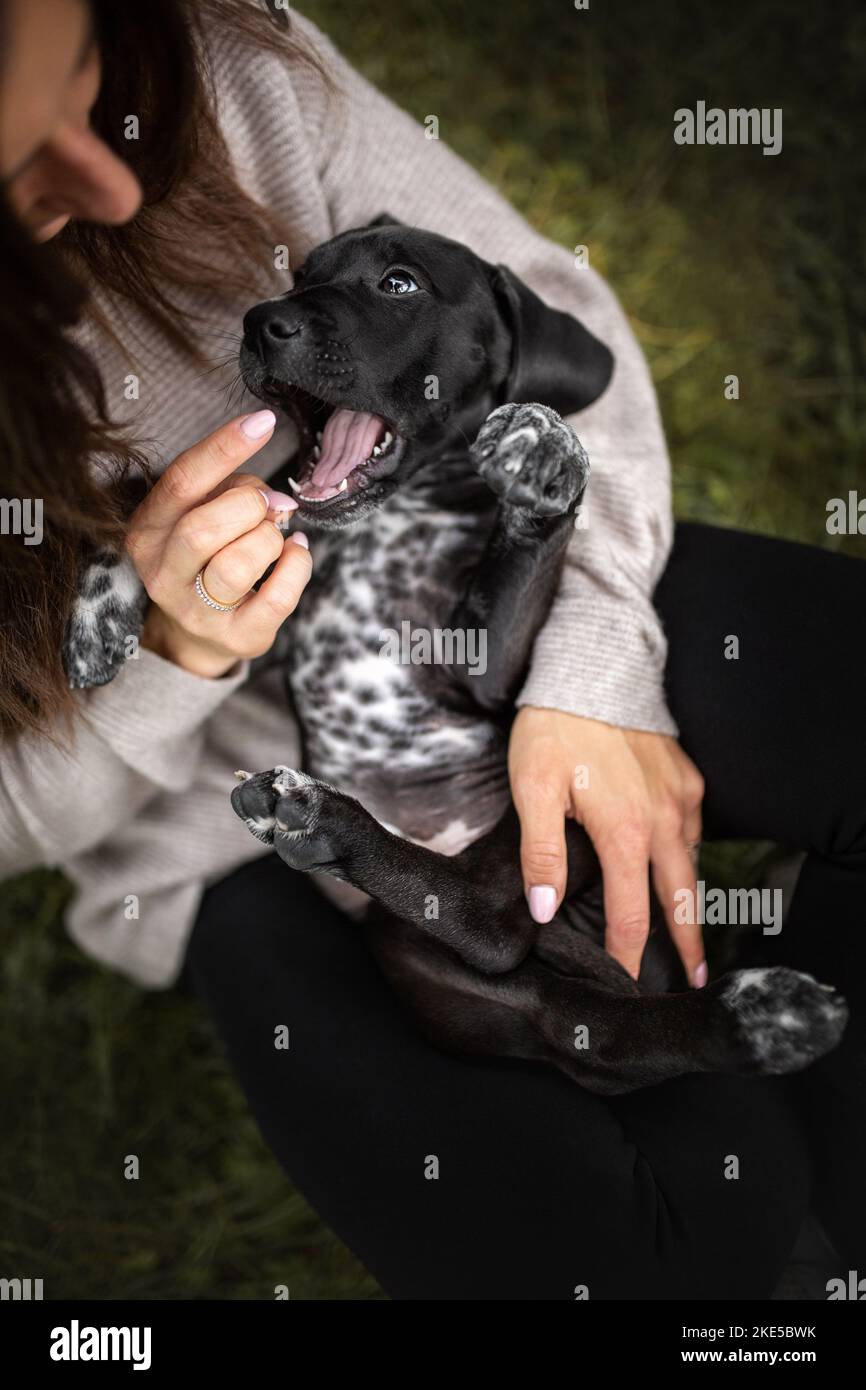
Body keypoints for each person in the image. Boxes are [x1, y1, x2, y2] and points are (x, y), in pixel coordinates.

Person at [0, 0, 862, 1299]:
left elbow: (554, 326)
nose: (112, 176)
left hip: (482, 609)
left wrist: (589, 671)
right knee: (660, 1250)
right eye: (15, 167)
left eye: (88, 77)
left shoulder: (223, 58)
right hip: (225, 823)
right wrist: (172, 651)